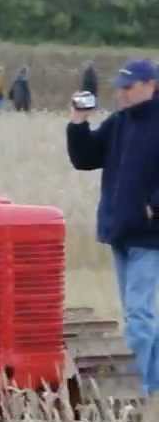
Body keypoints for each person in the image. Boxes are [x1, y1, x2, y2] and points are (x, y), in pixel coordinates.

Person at [66, 58, 159, 399]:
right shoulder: (120, 122)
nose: (122, 93)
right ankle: (154, 381)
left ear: (151, 85)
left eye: (129, 87)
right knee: (140, 315)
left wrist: (154, 211)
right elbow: (85, 158)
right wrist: (78, 122)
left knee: (138, 315)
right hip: (120, 231)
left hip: (150, 237)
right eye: (119, 87)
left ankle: (144, 388)